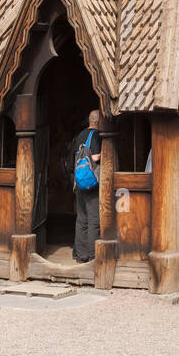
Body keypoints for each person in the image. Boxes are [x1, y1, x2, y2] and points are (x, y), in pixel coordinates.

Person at [72, 109, 101, 263]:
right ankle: (93, 256)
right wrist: (107, 153)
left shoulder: (79, 136)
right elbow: (94, 157)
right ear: (98, 122)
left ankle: (81, 255)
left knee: (81, 219)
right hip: (92, 183)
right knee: (94, 219)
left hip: (79, 181)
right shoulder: (95, 135)